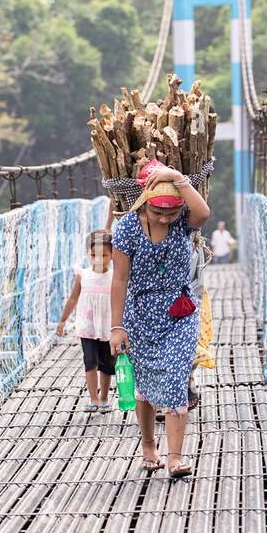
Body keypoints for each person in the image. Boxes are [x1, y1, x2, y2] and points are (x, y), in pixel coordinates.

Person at [109, 160, 212, 478]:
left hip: (179, 312)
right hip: (140, 316)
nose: (166, 218)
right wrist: (116, 327)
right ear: (144, 202)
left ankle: (176, 457)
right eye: (158, 213)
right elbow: (119, 280)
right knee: (145, 384)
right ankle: (149, 446)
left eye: (171, 212)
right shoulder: (126, 228)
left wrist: (178, 178)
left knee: (176, 380)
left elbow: (204, 214)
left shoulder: (183, 220)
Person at [56, 229, 115, 411]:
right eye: (93, 255)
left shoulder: (115, 277)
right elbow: (73, 298)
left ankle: (104, 398)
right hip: (87, 327)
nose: (98, 260)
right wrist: (63, 320)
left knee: (107, 364)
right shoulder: (83, 275)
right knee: (90, 361)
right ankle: (93, 398)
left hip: (107, 328)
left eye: (104, 255)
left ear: (112, 255)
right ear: (87, 254)